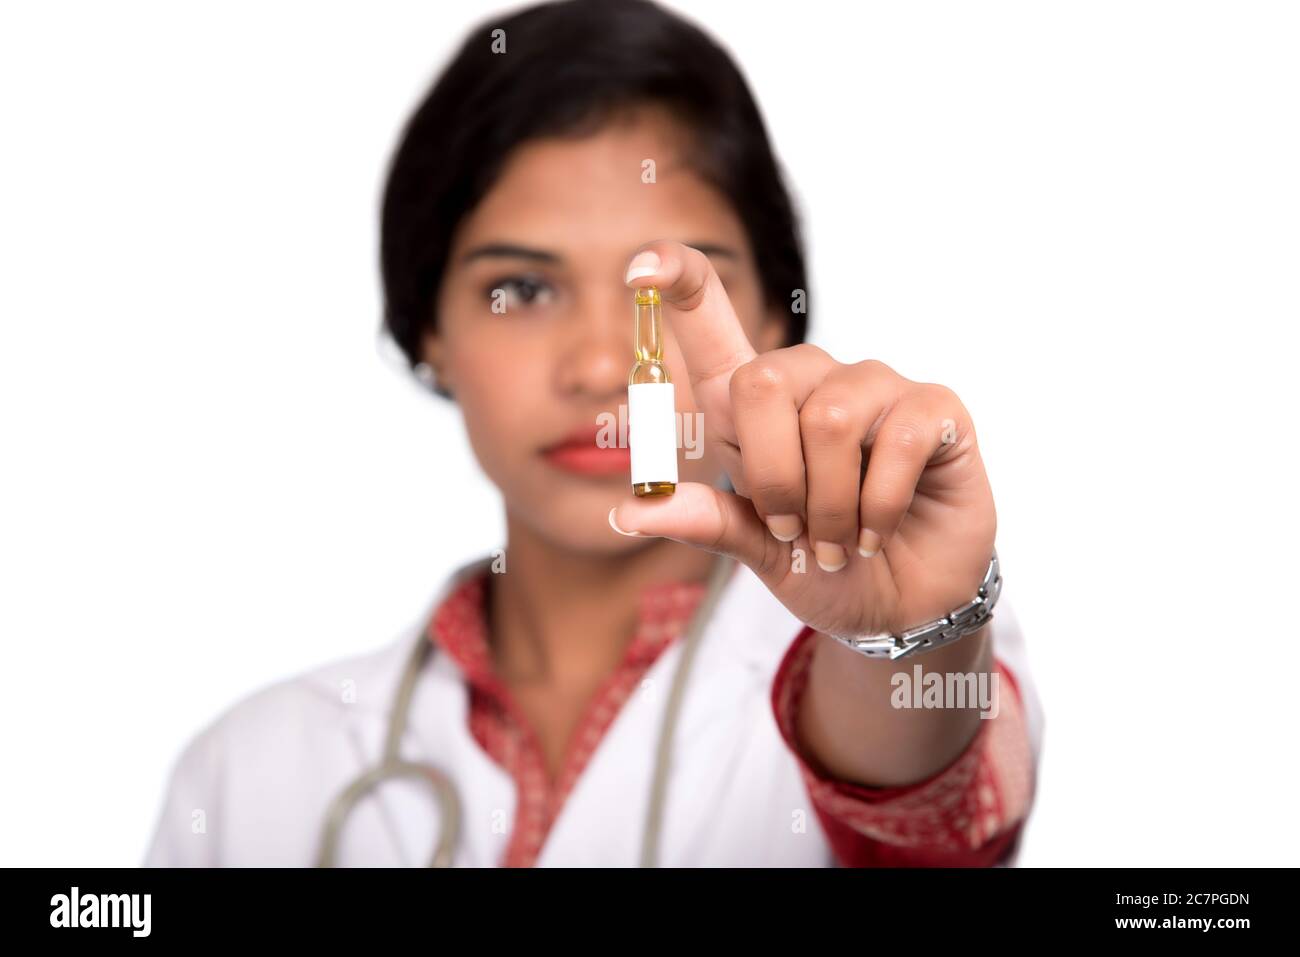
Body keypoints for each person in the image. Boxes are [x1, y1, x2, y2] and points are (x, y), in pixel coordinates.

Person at [144, 0, 1043, 867]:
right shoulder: (249, 774)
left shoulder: (892, 679)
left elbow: (929, 814)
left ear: (770, 322)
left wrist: (908, 636)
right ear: (430, 330)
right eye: (523, 289)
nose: (605, 364)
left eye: (666, 291)